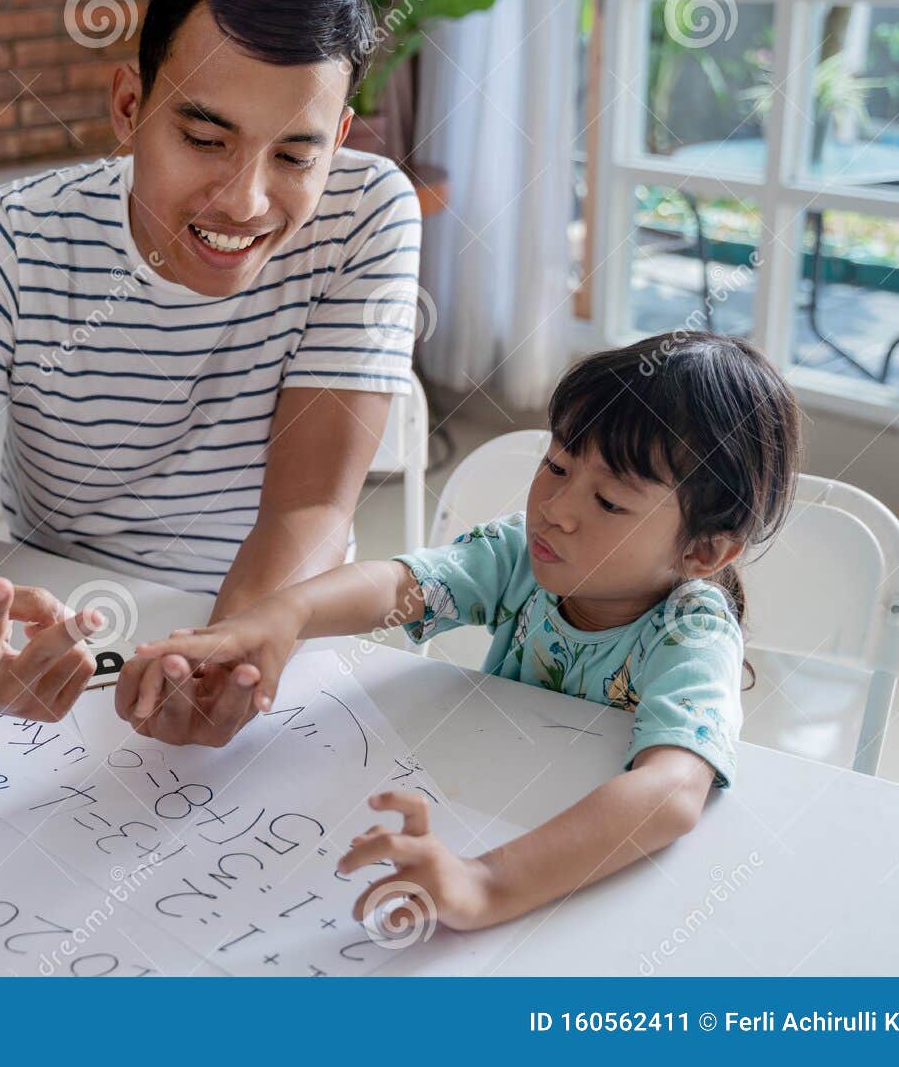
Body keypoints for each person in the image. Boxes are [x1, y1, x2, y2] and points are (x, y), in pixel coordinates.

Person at [0, 0, 421, 731]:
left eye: (294, 156)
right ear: (129, 106)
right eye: (205, 139)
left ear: (339, 142)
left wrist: (228, 649)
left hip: (280, 622)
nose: (244, 203)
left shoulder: (369, 211)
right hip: (69, 634)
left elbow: (310, 507)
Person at [129, 332, 801, 932]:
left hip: (583, 887)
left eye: (608, 501)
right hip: (492, 803)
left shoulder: (693, 631)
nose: (556, 511)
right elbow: (399, 585)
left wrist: (486, 884)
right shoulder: (523, 553)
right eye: (559, 465)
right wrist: (286, 613)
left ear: (704, 553)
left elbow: (672, 792)